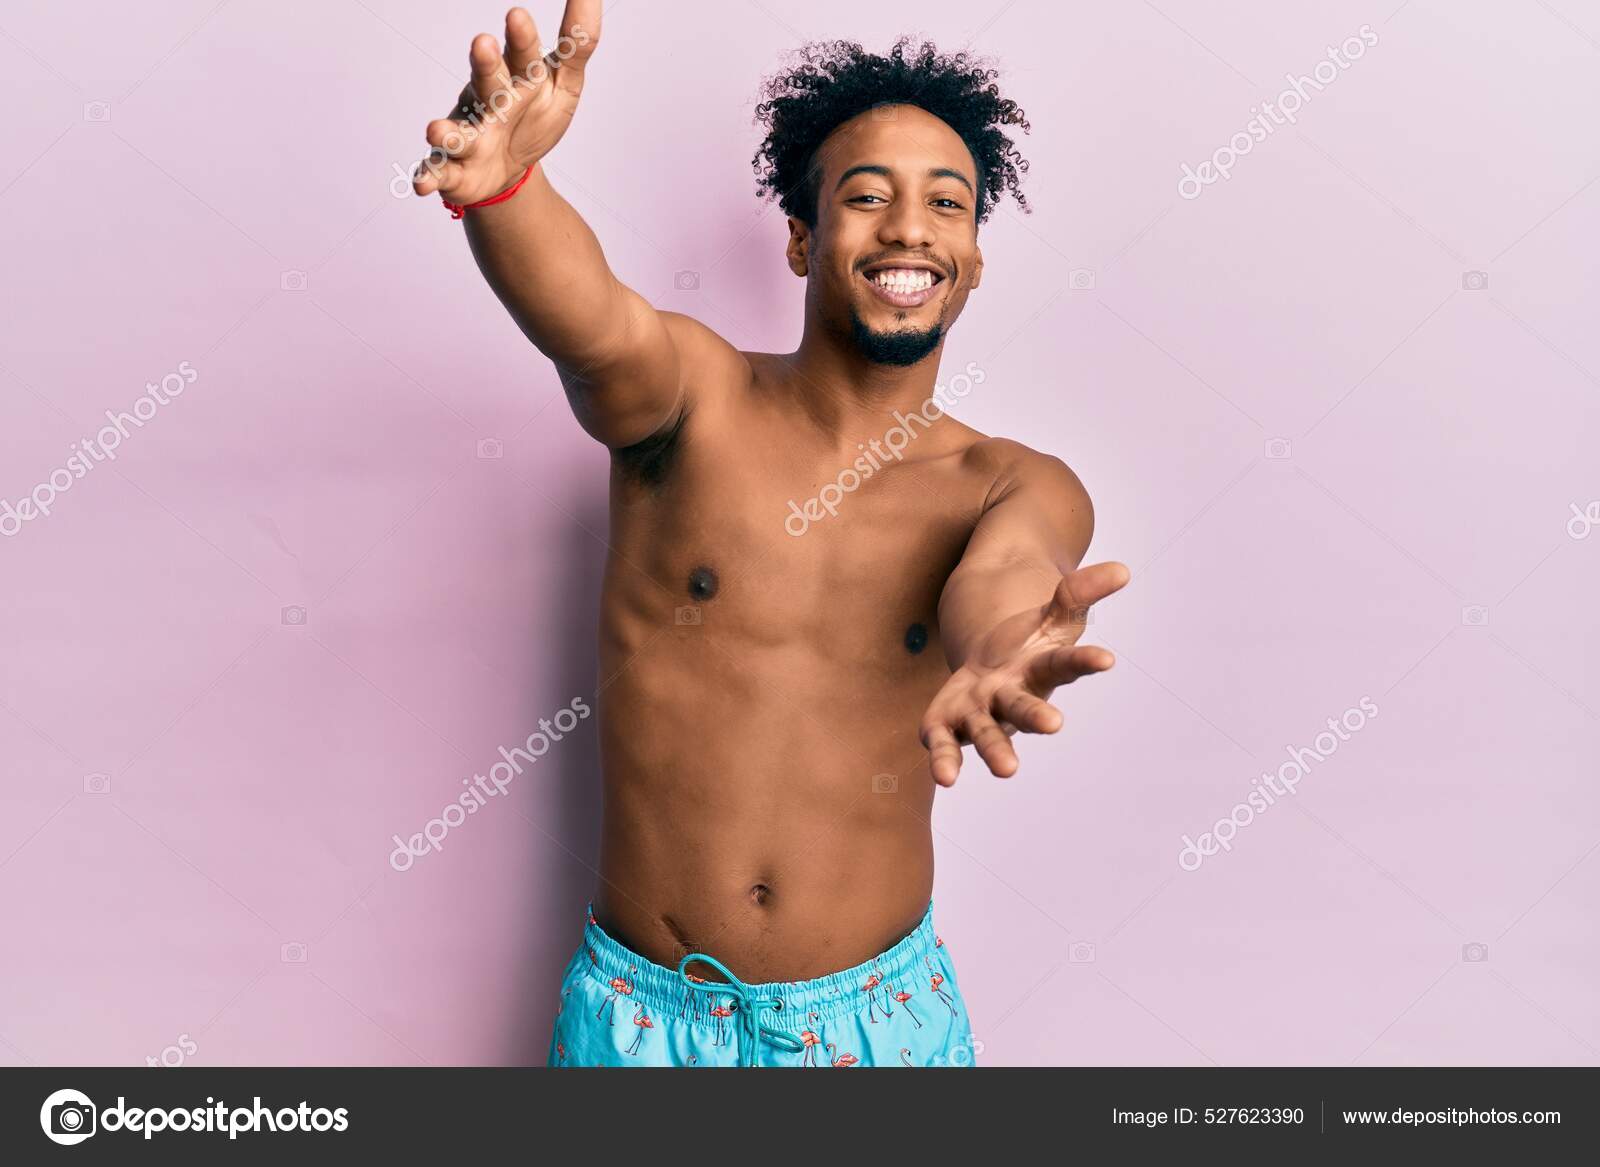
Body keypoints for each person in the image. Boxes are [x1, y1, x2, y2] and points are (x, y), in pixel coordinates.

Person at [412, 3, 1129, 1067]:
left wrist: (1000, 652)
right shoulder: (695, 402)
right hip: (640, 1024)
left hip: (875, 1030)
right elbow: (594, 326)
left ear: (973, 260)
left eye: (947, 202)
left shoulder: (1010, 482)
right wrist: (507, 189)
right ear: (801, 237)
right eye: (866, 196)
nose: (909, 228)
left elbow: (1010, 574)